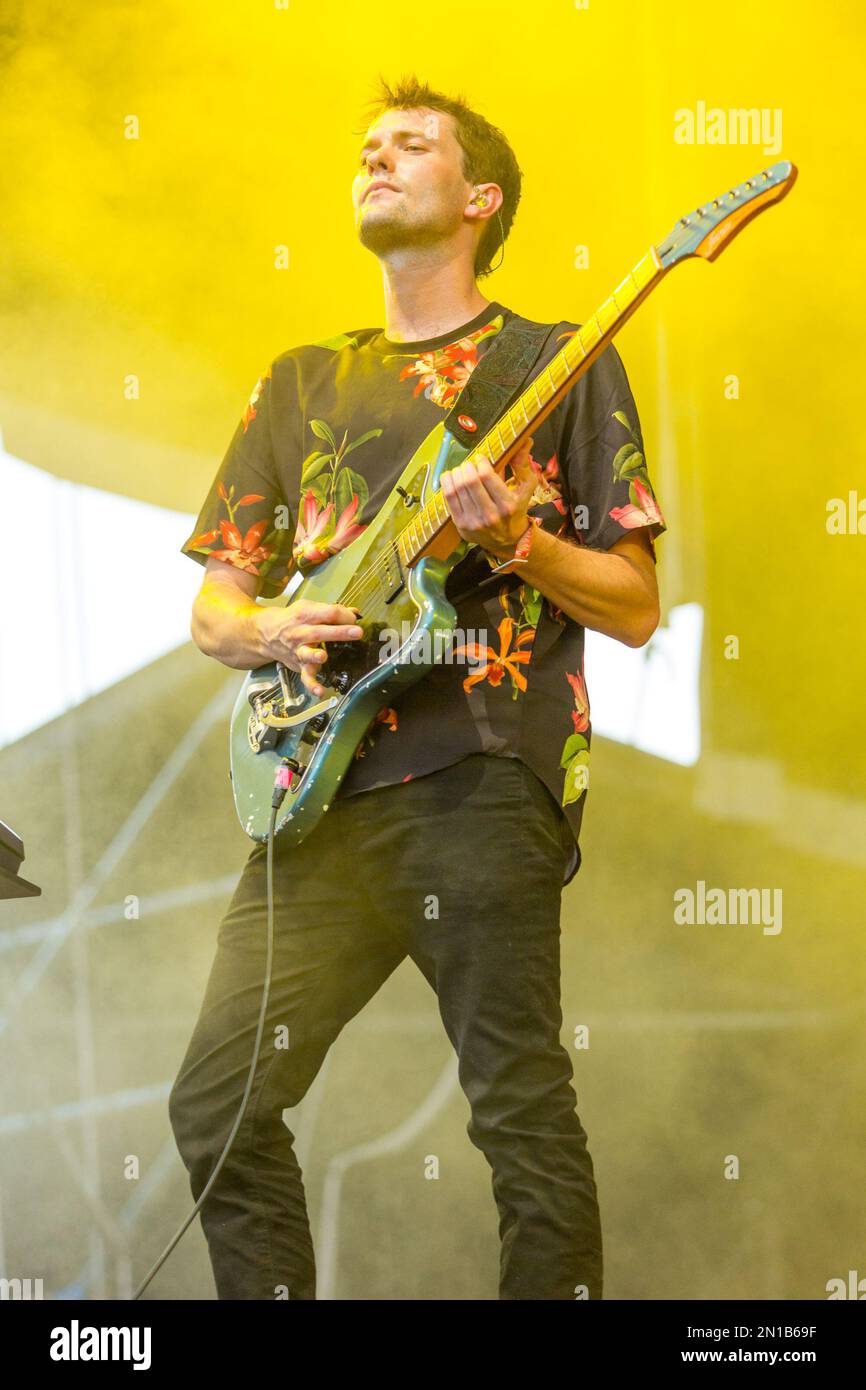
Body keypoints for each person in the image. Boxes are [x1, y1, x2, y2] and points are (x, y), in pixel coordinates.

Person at [169, 74, 666, 1301]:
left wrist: (518, 545)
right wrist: (271, 625)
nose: (375, 159)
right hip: (314, 794)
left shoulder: (558, 362)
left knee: (515, 1112)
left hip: (480, 776)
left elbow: (635, 602)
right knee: (214, 1103)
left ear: (478, 198)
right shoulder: (298, 381)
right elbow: (212, 606)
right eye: (365, 148)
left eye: (410, 145)